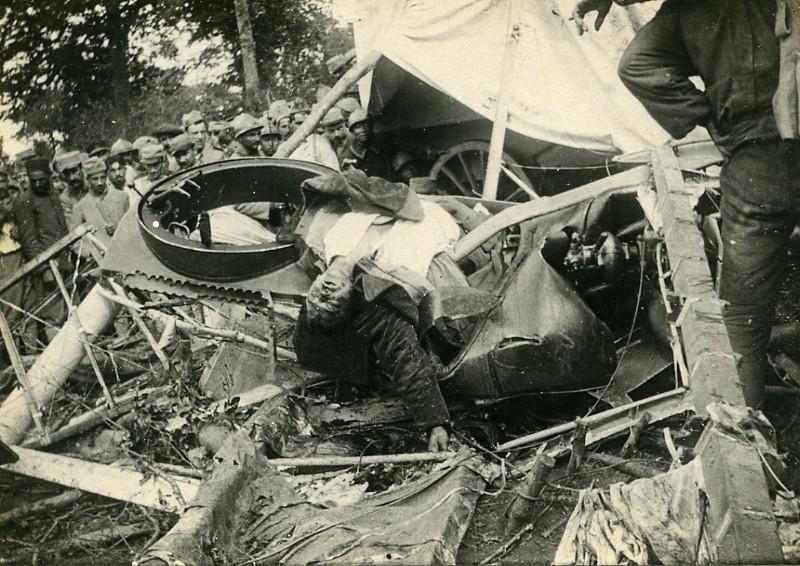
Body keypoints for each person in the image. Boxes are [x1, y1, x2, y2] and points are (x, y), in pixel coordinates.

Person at [575, 0, 782, 409]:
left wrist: (706, 116)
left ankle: (746, 431)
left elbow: (636, 65)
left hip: (754, 161)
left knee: (740, 318)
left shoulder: (686, 12)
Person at [293, 171, 482, 452]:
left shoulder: (324, 242)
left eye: (317, 295)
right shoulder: (377, 294)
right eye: (332, 301)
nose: (326, 290)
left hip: (395, 206)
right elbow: (405, 357)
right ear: (350, 297)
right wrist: (435, 423)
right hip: (427, 222)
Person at [13, 158, 69, 348]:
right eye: (33, 180)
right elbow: (29, 240)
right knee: (53, 315)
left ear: (49, 177)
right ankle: (61, 356)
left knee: (70, 309)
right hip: (47, 266)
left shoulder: (53, 195)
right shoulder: (24, 201)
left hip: (63, 262)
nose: (37, 184)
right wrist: (44, 269)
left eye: (41, 180)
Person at [71, 157, 129, 255]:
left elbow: (132, 225)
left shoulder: (122, 197)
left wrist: (118, 229)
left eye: (102, 177)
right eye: (95, 179)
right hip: (102, 259)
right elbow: (74, 241)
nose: (100, 182)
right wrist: (92, 254)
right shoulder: (80, 207)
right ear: (87, 179)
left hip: (127, 251)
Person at [0, 165, 24, 327]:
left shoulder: (16, 199)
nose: (1, 186)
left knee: (27, 301)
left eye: (3, 181)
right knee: (11, 303)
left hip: (21, 251)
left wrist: (19, 227)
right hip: (5, 256)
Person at [339, 108, 390, 179]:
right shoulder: (348, 156)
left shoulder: (383, 146)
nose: (363, 130)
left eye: (366, 125)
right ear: (352, 131)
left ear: (371, 127)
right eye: (357, 127)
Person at [54, 150, 88, 221]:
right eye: (67, 174)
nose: (71, 178)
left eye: (74, 171)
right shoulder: (65, 199)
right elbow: (72, 223)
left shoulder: (94, 185)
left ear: (81, 168)